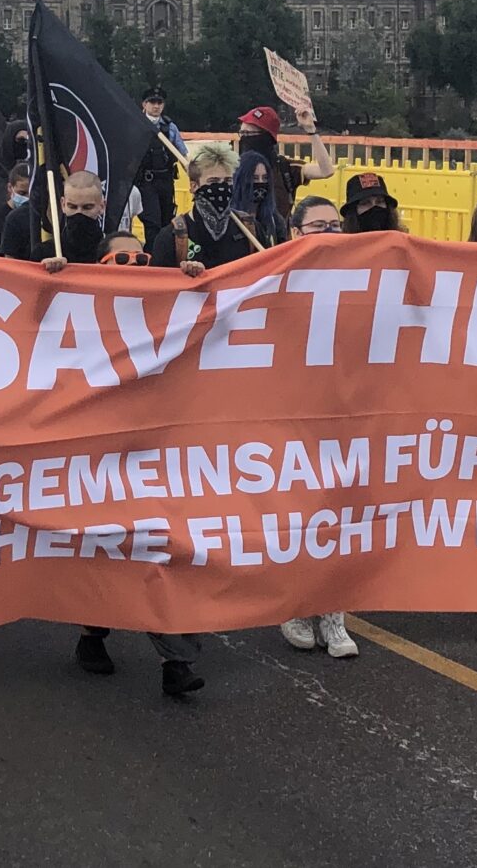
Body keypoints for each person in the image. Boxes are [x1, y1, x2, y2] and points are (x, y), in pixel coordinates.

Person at [74, 227, 206, 698]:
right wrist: (50, 277)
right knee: (102, 547)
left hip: (156, 451)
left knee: (161, 547)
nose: (135, 268)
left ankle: (176, 661)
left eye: (142, 258)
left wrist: (193, 278)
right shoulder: (78, 306)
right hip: (99, 449)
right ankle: (92, 633)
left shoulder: (169, 301)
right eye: (121, 261)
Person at [279, 180, 395, 661]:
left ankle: (334, 611)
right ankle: (295, 603)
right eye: (316, 226)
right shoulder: (273, 276)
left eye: (333, 225)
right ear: (294, 232)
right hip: (293, 410)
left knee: (346, 508)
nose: (328, 232)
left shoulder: (371, 275)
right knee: (302, 508)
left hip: (351, 407)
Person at [233, 106, 335, 246]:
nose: (244, 138)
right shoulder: (231, 167)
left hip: (279, 248)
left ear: (266, 137)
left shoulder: (284, 168)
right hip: (238, 247)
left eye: (249, 134)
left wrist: (311, 130)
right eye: (242, 133)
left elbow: (326, 171)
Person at [149, 144, 256, 276]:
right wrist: (185, 276)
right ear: (194, 186)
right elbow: (159, 287)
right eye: (213, 181)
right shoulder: (172, 236)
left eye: (228, 181)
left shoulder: (250, 230)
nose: (222, 187)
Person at [133, 87, 185, 242]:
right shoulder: (136, 124)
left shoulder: (170, 127)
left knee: (167, 222)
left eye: (159, 102)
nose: (156, 106)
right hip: (146, 182)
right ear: (144, 104)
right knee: (152, 223)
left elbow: (182, 153)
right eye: (152, 102)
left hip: (166, 181)